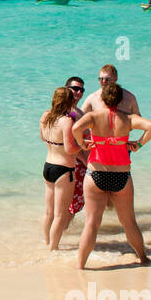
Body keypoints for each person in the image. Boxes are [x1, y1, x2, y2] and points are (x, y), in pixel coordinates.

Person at [70, 82, 151, 269]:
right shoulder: (129, 118)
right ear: (120, 99)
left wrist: (83, 143)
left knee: (91, 223)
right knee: (129, 222)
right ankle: (143, 258)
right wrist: (139, 144)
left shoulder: (93, 116)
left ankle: (80, 265)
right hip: (121, 176)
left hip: (96, 174)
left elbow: (75, 128)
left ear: (102, 98)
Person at [39, 86, 81, 250]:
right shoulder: (66, 121)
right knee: (60, 214)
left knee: (48, 212)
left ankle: (47, 242)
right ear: (69, 101)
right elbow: (70, 149)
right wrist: (83, 146)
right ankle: (54, 248)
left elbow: (43, 137)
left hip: (48, 165)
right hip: (64, 169)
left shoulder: (45, 116)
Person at [64, 76, 89, 218]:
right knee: (70, 205)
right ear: (67, 89)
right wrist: (86, 162)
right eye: (75, 89)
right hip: (75, 164)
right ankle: (62, 236)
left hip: (80, 163)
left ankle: (64, 236)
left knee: (73, 206)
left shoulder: (78, 111)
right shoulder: (70, 113)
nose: (78, 92)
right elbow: (72, 141)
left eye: (81, 90)